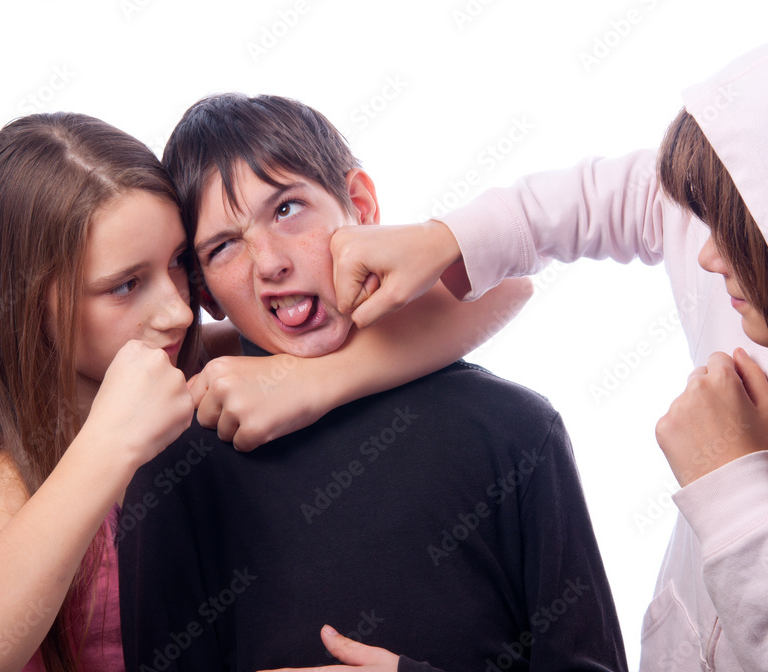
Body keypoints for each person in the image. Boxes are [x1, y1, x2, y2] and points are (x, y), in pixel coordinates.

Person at [327, 4, 768, 670]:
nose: (706, 257)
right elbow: (636, 193)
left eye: (740, 238)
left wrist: (733, 492)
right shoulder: (750, 254)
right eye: (706, 219)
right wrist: (448, 239)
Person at [0, 111, 540, 672]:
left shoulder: (196, 366)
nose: (174, 310)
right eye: (125, 285)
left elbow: (501, 285)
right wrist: (108, 445)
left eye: (176, 265)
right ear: (36, 311)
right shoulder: (7, 483)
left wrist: (318, 381)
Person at [118, 93, 628, 672]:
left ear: (359, 204)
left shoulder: (514, 432)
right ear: (203, 291)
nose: (269, 263)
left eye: (286, 210)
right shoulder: (177, 470)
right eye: (225, 246)